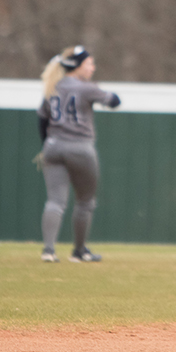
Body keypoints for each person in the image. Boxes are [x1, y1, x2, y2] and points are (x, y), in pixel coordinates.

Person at [37, 45, 120, 263]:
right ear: (78, 66)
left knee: (55, 201)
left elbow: (42, 120)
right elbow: (114, 101)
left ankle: (48, 250)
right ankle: (79, 251)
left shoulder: (52, 86)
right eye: (89, 63)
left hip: (53, 146)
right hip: (80, 147)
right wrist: (108, 95)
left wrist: (47, 146)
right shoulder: (86, 88)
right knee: (85, 202)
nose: (92, 67)